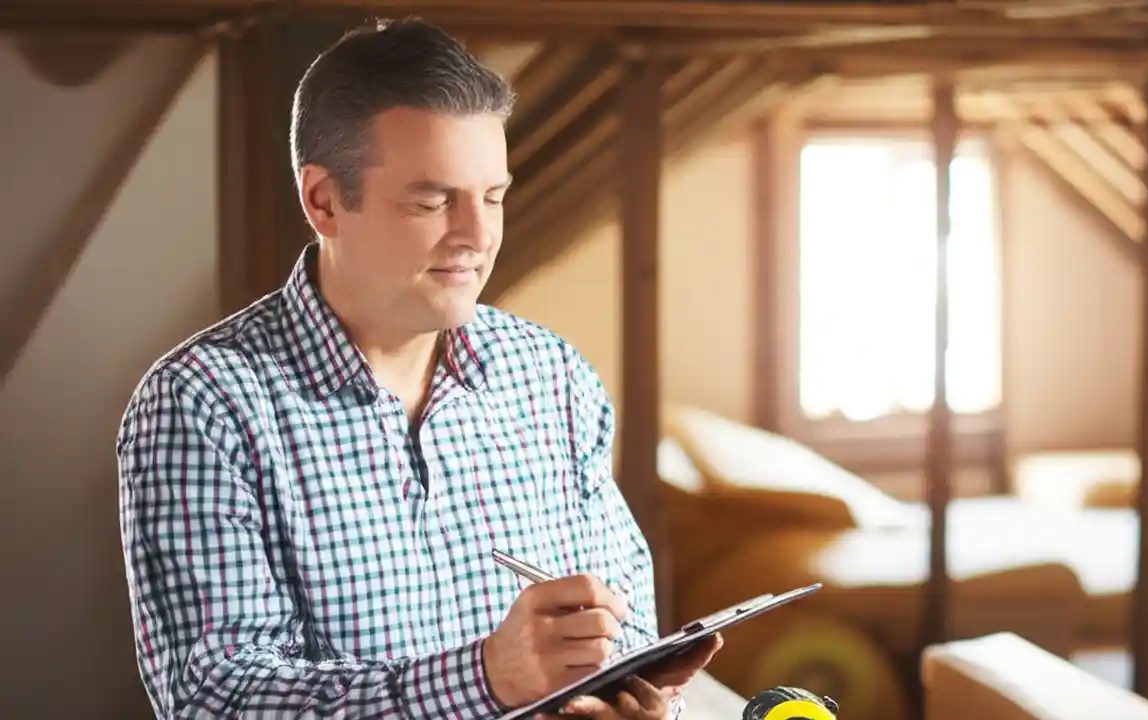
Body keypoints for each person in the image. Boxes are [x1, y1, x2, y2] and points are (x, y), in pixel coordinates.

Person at [117, 18, 719, 719]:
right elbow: (215, 701)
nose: (478, 236)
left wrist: (637, 699)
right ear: (323, 201)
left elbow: (625, 627)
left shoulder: (554, 378)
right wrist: (487, 678)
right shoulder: (204, 404)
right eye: (434, 201)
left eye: (492, 196)